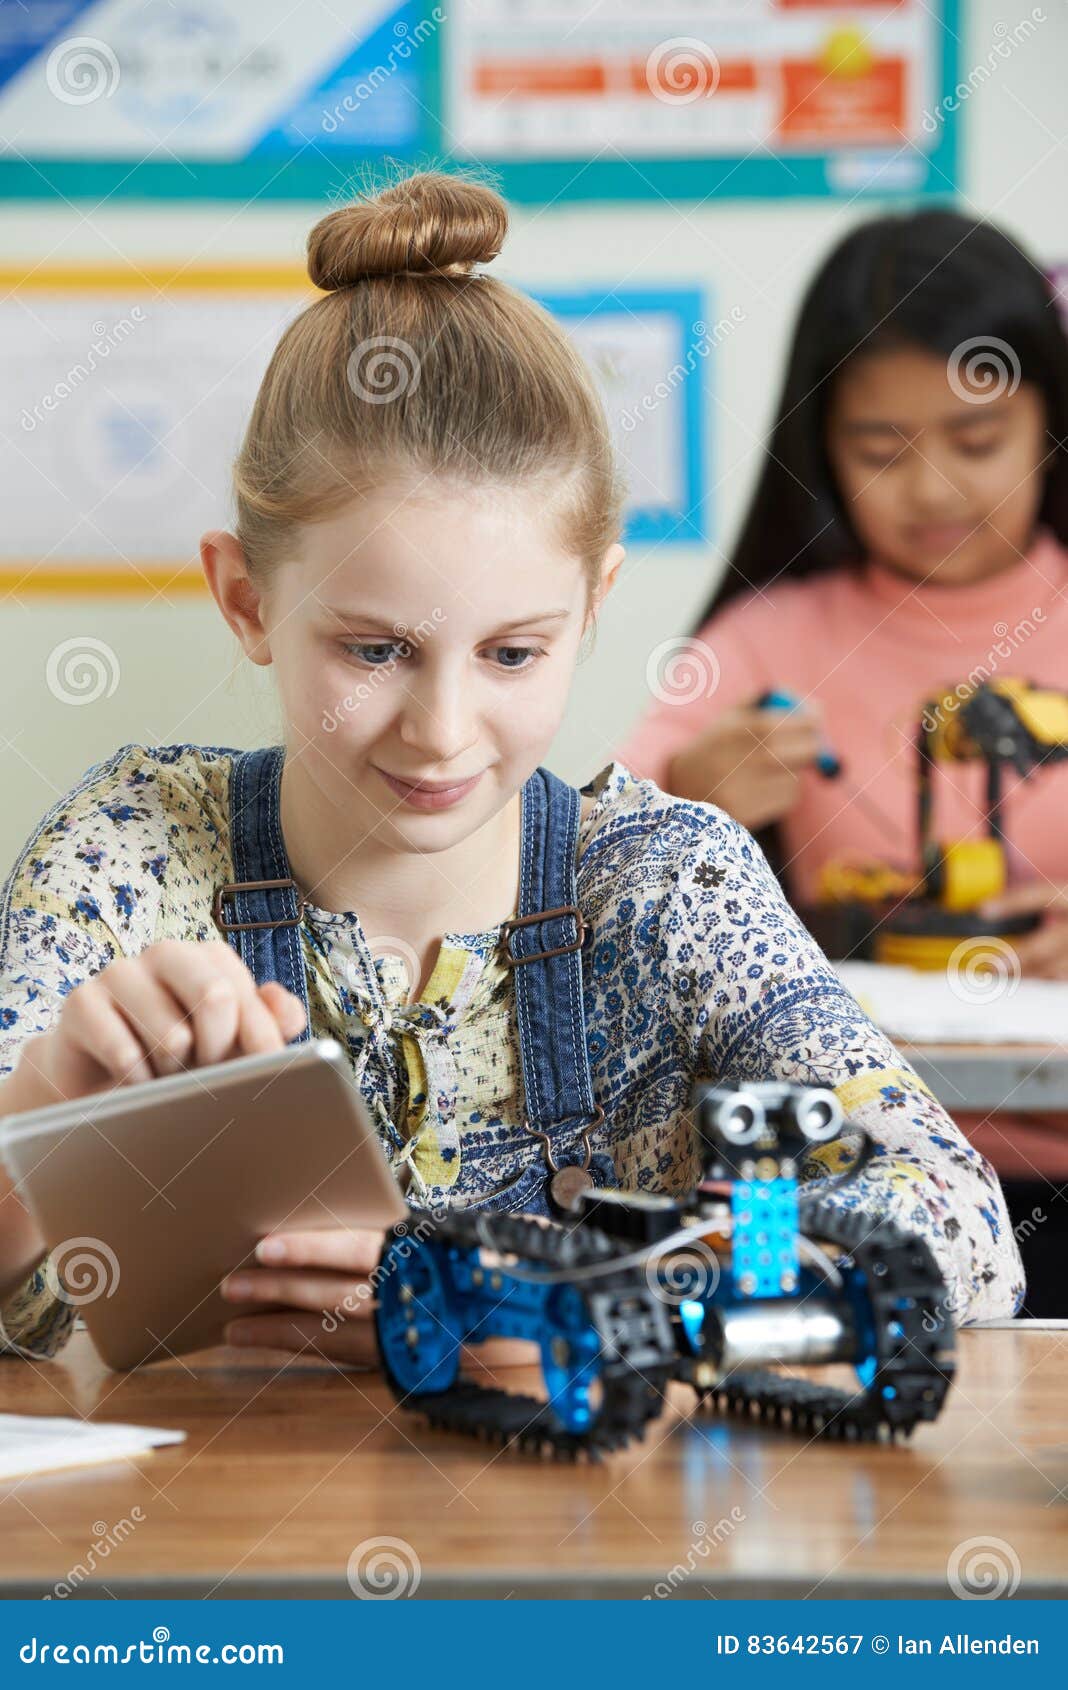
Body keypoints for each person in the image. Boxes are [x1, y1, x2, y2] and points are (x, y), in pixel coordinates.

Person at [0, 175, 1023, 1368]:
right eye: (374, 650)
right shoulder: (128, 853)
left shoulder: (669, 882)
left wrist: (562, 1297)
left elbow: (964, 1232)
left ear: (592, 606)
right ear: (246, 599)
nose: (441, 731)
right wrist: (38, 1114)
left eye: (512, 654)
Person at [620, 207, 1068, 1311]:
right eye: (881, 450)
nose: (933, 489)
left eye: (977, 441)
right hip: (838, 1188)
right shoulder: (767, 640)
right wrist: (691, 798)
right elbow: (586, 844)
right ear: (822, 442)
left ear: (1051, 418)